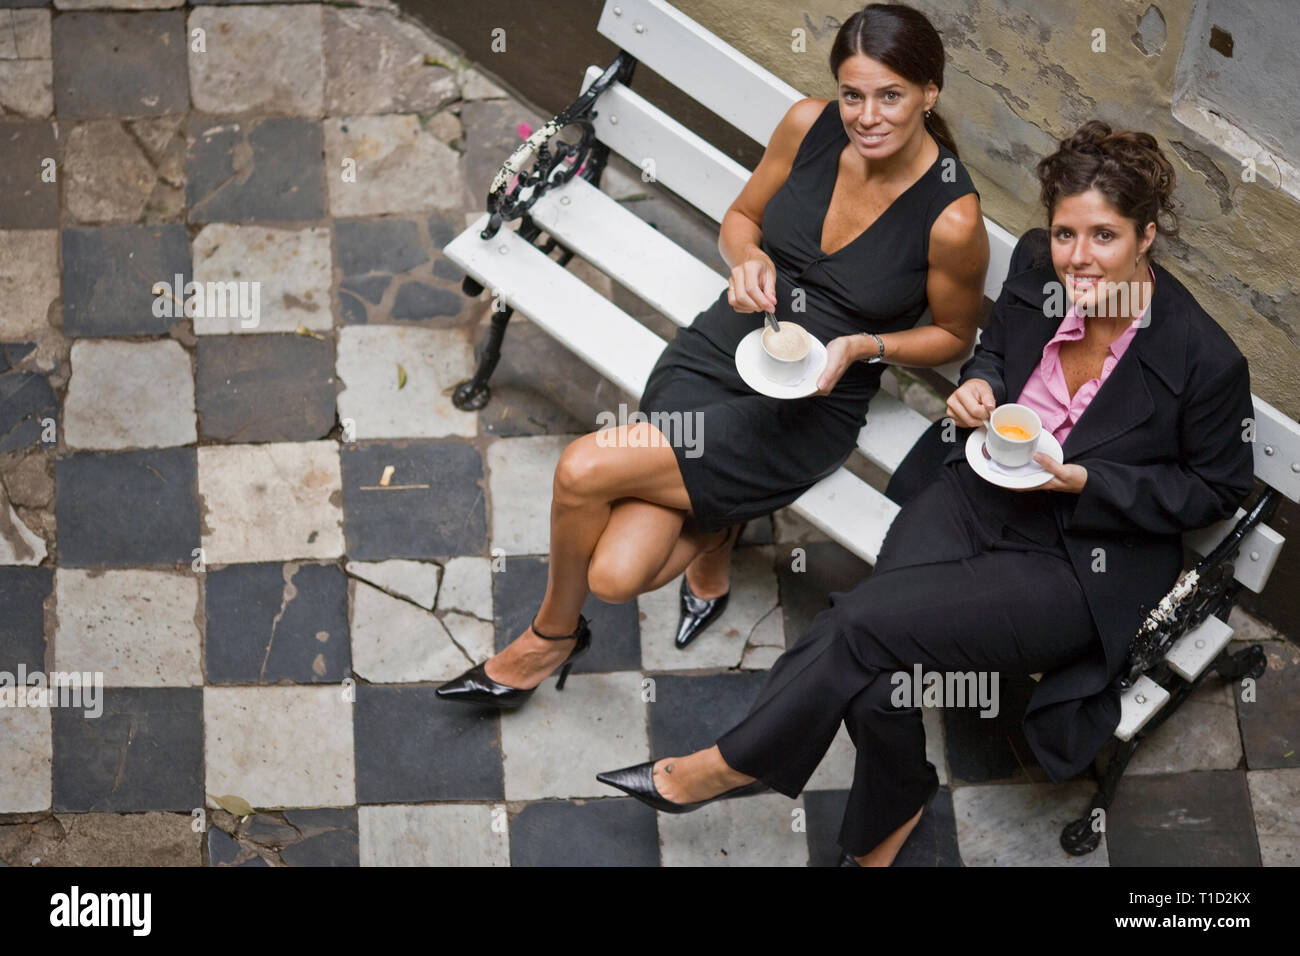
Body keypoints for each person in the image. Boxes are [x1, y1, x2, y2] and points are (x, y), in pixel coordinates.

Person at [596, 119, 1258, 866]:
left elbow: (1215, 490)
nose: (1080, 257)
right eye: (1067, 232)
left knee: (862, 629)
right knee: (878, 679)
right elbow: (1000, 345)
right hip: (979, 492)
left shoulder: (1204, 359)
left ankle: (725, 765)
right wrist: (982, 384)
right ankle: (899, 800)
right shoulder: (1042, 267)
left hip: (1080, 557)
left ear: (1146, 236)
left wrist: (1085, 478)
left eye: (1103, 236)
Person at [436, 3, 989, 708]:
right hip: (723, 349)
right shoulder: (806, 126)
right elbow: (741, 220)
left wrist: (867, 346)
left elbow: (954, 337)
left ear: (928, 95)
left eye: (891, 96)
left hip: (805, 405)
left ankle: (547, 638)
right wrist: (747, 261)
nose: (868, 115)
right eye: (853, 94)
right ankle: (718, 527)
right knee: (611, 577)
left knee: (583, 468)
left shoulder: (951, 216)